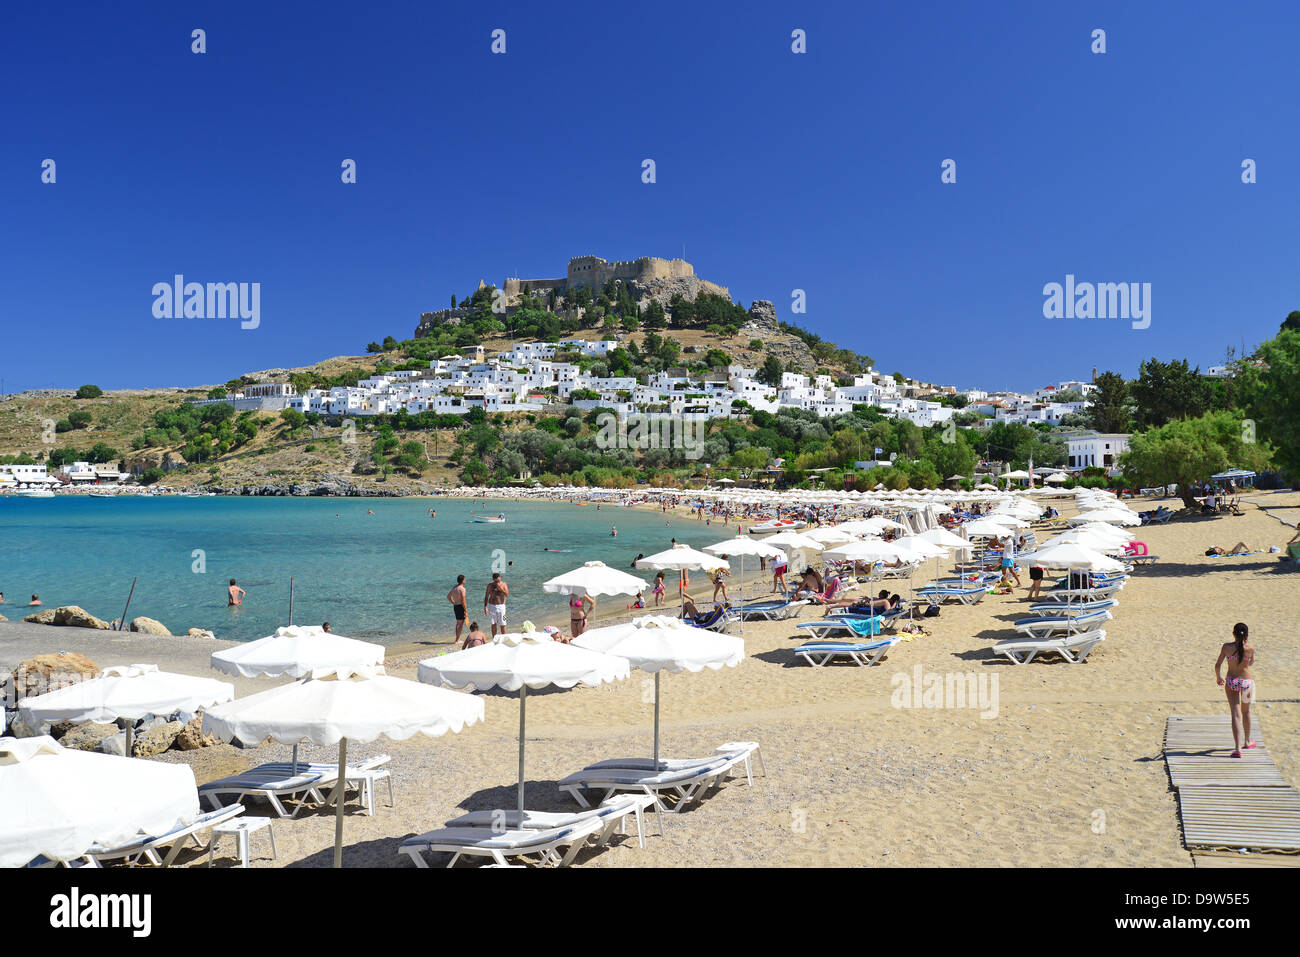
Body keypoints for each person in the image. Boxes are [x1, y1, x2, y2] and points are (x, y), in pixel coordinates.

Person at [1214, 623, 1257, 758]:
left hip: (1232, 681)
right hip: (1247, 682)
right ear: (1247, 636)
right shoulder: (1250, 648)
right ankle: (1247, 741)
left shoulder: (1226, 647)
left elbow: (1217, 665)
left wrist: (1219, 677)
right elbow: (1250, 663)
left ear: (1233, 634)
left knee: (1235, 713)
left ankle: (1238, 748)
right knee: (1246, 712)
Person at [484, 572, 509, 636]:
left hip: (501, 607)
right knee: (493, 624)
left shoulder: (504, 584)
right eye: (495, 581)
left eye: (498, 580)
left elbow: (507, 595)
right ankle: (494, 639)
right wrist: (485, 607)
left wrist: (501, 589)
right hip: (492, 606)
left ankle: (504, 638)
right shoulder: (490, 585)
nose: (497, 582)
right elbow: (486, 596)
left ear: (500, 578)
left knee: (503, 623)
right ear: (493, 579)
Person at [447, 575, 468, 643]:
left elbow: (448, 596)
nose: (465, 580)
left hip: (456, 606)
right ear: (463, 580)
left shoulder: (454, 587)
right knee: (460, 624)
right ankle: (457, 640)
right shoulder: (462, 589)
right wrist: (466, 610)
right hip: (460, 606)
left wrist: (453, 602)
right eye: (465, 579)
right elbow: (463, 601)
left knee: (458, 623)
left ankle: (457, 639)